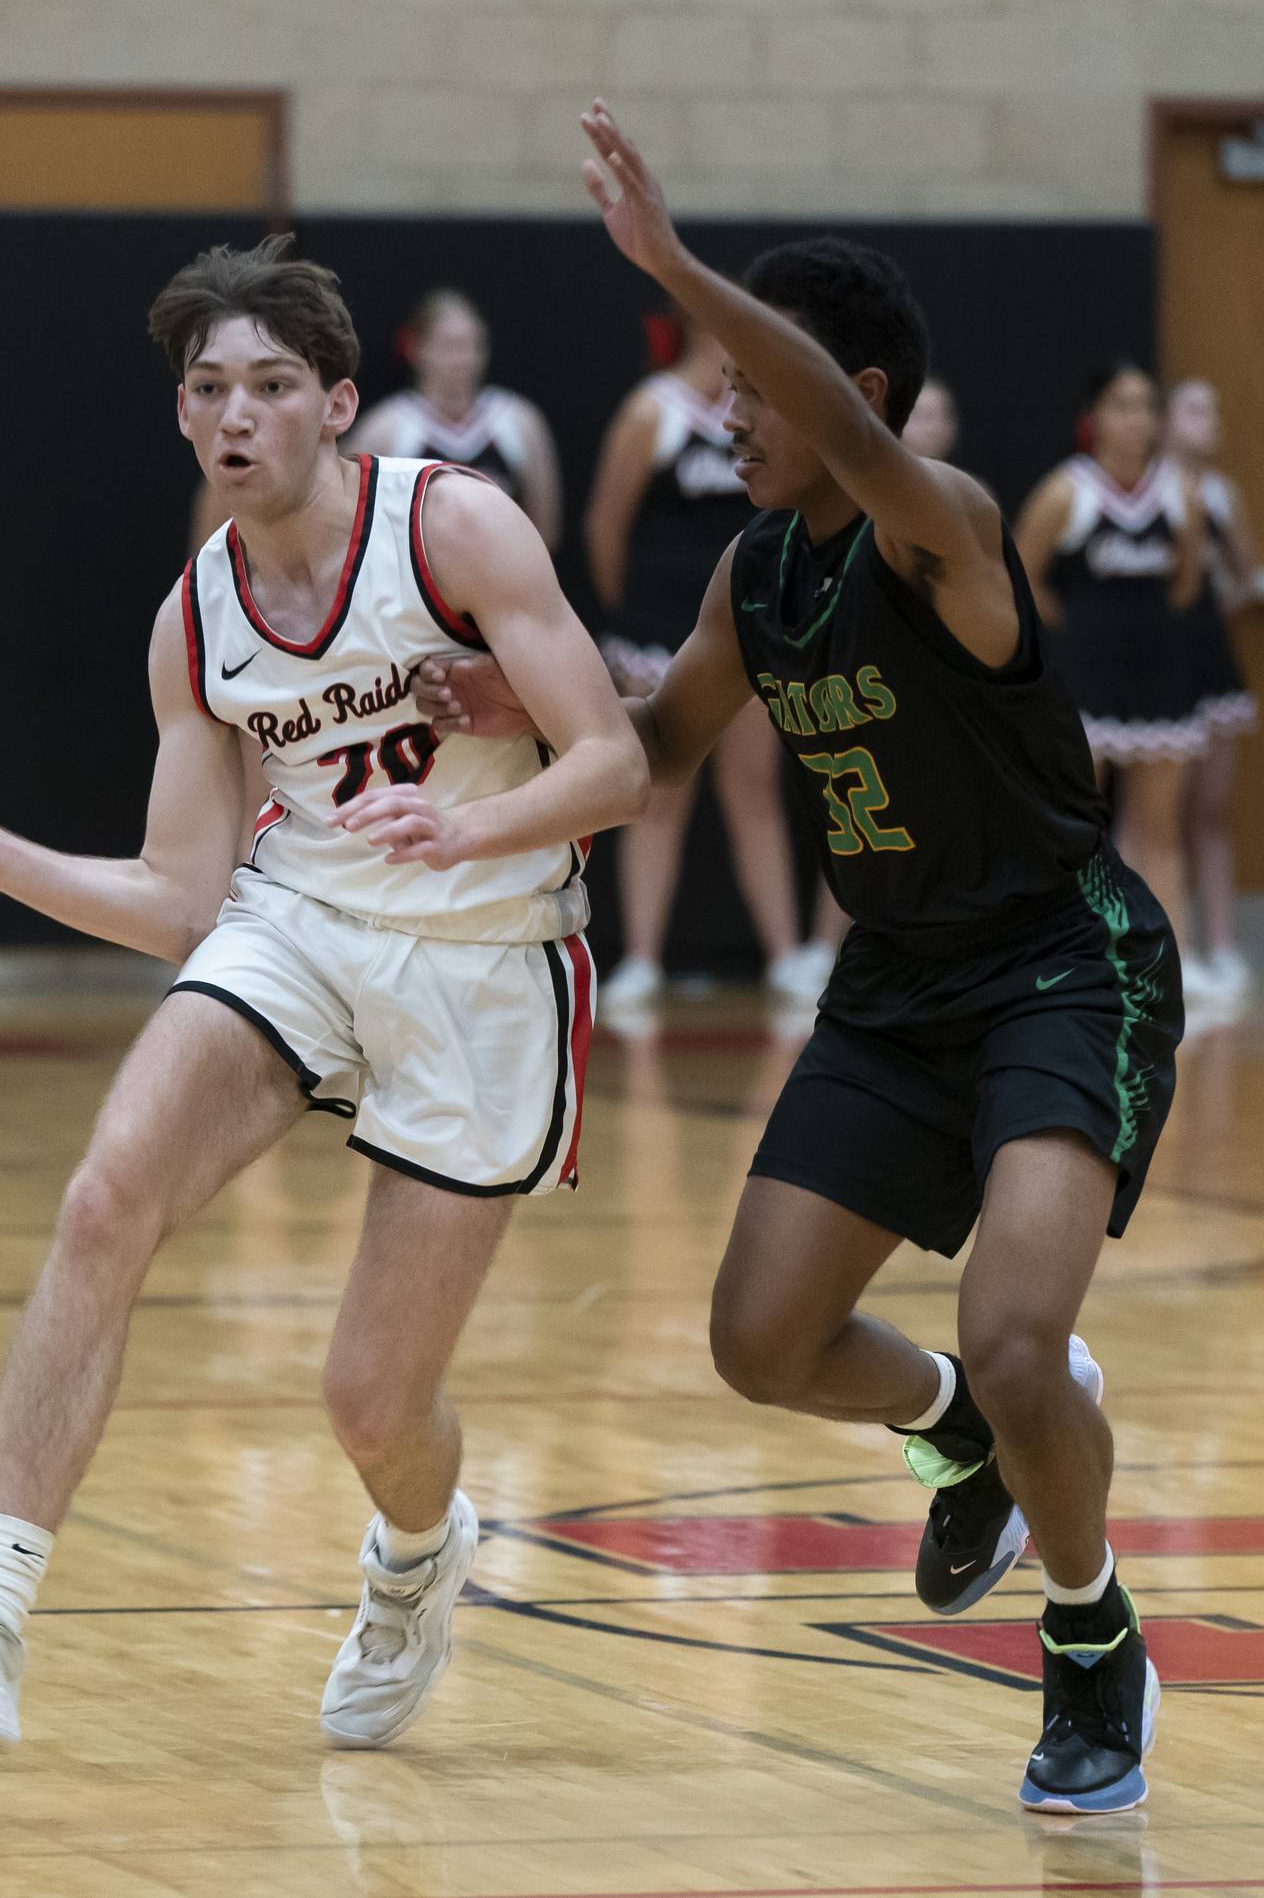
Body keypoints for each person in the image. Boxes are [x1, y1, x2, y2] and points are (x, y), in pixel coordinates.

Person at [420, 102, 1181, 1816]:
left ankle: (1087, 1633)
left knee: (1017, 1327)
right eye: (725, 381)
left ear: (861, 405)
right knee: (760, 1340)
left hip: (1064, 966)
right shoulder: (755, 580)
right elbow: (660, 746)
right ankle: (969, 1439)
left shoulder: (947, 533)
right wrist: (523, 710)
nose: (730, 412)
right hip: (898, 986)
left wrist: (676, 261)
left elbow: (832, 410)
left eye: (758, 388)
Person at [0, 236, 646, 1755]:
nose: (237, 414)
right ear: (185, 416)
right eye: (210, 388)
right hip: (301, 924)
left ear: (341, 403)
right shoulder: (196, 618)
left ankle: (419, 1554)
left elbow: (619, 763)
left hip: (486, 953)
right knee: (104, 1201)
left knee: (368, 1402)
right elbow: (177, 899)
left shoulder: (453, 527)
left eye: (272, 385)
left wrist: (471, 823)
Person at [586, 311, 838, 1007]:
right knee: (660, 794)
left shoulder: (760, 416)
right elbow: (606, 528)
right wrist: (636, 615)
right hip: (659, 631)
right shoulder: (651, 411)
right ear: (706, 329)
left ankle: (786, 956)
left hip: (748, 629)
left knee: (755, 790)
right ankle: (641, 959)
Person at [1013, 364, 1207, 947]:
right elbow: (1023, 576)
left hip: (1160, 677)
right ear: (1093, 418)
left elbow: (1187, 583)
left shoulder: (1181, 492)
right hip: (1084, 681)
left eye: (1146, 406)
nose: (1136, 419)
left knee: (1162, 830)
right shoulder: (1065, 490)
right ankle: (1065, 952)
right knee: (1075, 827)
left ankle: (1172, 959)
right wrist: (1080, 630)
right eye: (1122, 406)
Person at [1164, 377, 1260, 996]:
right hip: (1155, 668)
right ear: (1165, 420)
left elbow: (1246, 578)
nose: (1211, 419)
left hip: (1212, 662)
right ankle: (1170, 949)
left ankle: (1222, 944)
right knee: (1157, 818)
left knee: (1213, 810)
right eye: (1196, 409)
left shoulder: (1224, 493)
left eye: (1215, 408)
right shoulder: (1147, 494)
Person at [350, 289, 563, 549]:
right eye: (449, 346)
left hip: (501, 580)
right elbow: (348, 520)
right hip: (416, 584)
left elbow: (546, 529)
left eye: (472, 345)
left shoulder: (519, 420)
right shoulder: (386, 427)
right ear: (416, 349)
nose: (462, 359)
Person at [901, 375, 960, 463]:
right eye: (923, 417)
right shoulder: (877, 475)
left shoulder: (960, 476)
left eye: (945, 416)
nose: (934, 428)